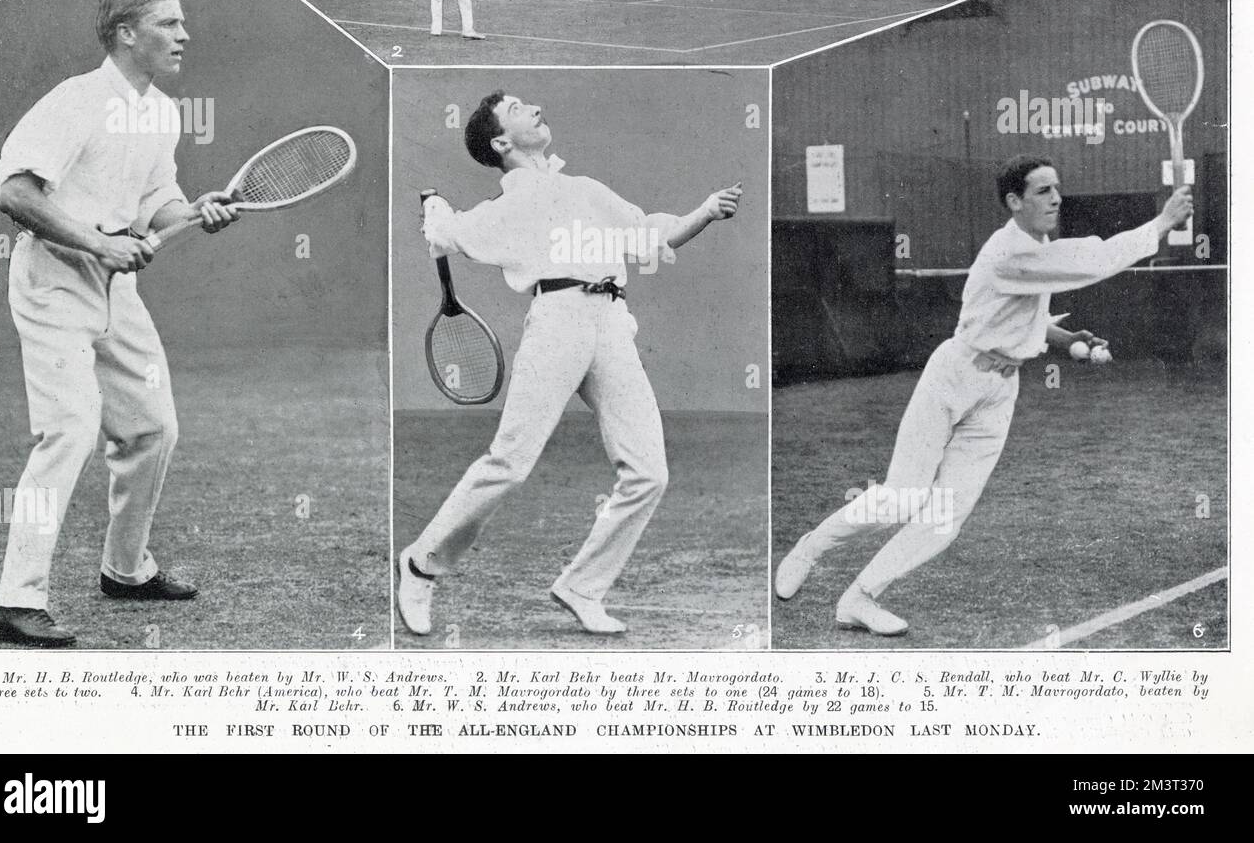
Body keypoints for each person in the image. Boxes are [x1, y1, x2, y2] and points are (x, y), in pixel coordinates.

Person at [774, 155, 1194, 636]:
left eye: (1057, 188)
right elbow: (1092, 260)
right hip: (954, 377)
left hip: (1000, 391)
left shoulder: (1036, 246)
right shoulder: (1010, 252)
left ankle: (859, 598)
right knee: (901, 499)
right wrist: (1162, 222)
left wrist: (1067, 339)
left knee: (944, 518)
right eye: (1042, 191)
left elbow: (1024, 318)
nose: (1056, 198)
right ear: (1014, 202)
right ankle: (810, 548)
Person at [396, 92, 743, 636]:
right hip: (556, 321)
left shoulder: (585, 190)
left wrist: (705, 210)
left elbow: (654, 235)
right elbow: (446, 234)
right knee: (510, 462)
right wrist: (437, 212)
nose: (532, 106)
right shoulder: (510, 205)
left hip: (612, 324)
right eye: (515, 108)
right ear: (501, 143)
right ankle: (420, 565)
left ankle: (583, 586)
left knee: (649, 471)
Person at [0, 0, 242, 647]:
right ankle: (16, 600)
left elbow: (159, 201)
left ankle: (125, 570)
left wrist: (198, 211)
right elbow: (13, 191)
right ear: (128, 33)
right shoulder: (74, 101)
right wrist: (98, 241)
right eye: (169, 23)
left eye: (184, 23)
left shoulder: (161, 111)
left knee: (154, 427)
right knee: (70, 428)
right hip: (54, 282)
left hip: (113, 289)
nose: (184, 35)